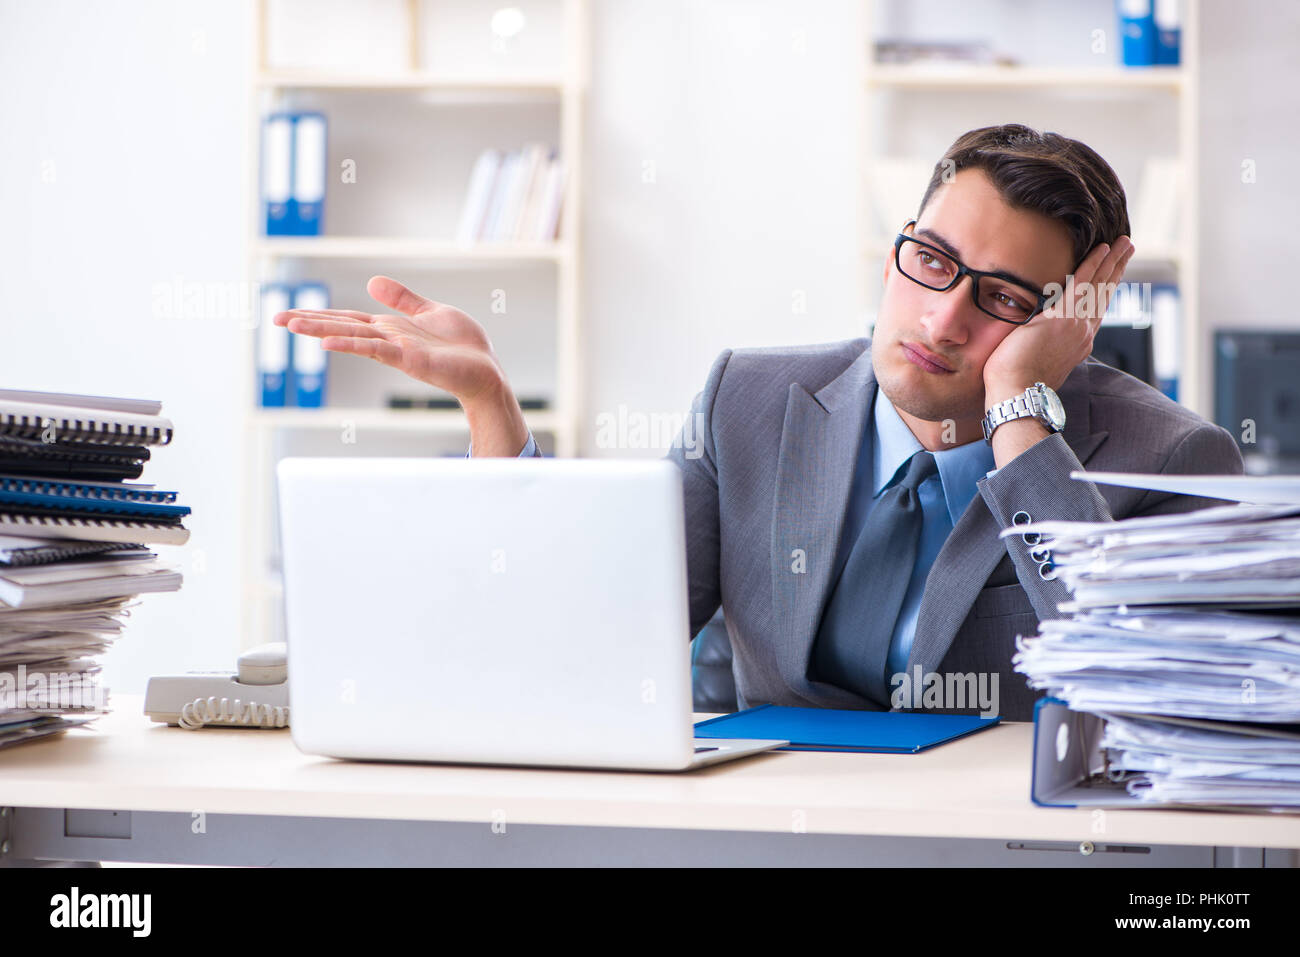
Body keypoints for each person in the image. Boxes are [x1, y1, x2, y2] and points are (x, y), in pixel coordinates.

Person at [275, 124, 1242, 720]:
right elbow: (586, 632)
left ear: (1069, 321)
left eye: (1003, 298)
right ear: (897, 249)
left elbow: (1151, 697)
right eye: (933, 261)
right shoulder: (747, 399)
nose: (943, 319)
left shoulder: (1168, 460)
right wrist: (492, 409)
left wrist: (1020, 410)